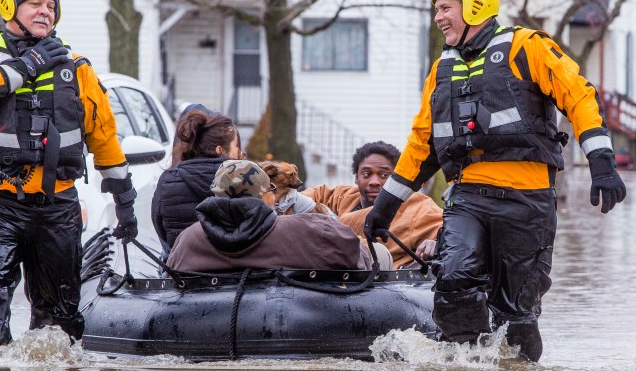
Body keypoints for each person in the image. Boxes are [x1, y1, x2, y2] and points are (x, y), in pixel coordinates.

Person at [364, 0, 627, 362]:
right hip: (468, 198)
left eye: (444, 8)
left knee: (517, 313)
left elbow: (580, 97)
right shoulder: (441, 71)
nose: (437, 17)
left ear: (475, 6)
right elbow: (422, 145)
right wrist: (384, 208)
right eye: (436, 9)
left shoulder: (527, 47)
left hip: (527, 203)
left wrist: (601, 162)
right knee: (453, 281)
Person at [0, 0, 137, 345]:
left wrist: (125, 201)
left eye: (50, 6)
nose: (45, 12)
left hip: (57, 207)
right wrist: (28, 65)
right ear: (9, 8)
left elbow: (103, 135)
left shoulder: (77, 67)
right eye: (34, 3)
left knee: (60, 320)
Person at [167, 160, 373, 272]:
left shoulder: (187, 239)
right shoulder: (312, 229)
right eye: (271, 189)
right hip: (297, 322)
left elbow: (171, 281)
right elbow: (358, 258)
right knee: (379, 252)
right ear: (266, 196)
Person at [304, 141, 442, 268]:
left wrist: (436, 243)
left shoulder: (416, 205)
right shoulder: (348, 196)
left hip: (385, 285)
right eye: (366, 174)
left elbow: (450, 232)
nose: (374, 181)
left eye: (384, 175)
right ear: (356, 178)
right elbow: (315, 194)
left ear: (397, 179)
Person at [151, 104, 241, 254]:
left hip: (183, 271)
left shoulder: (167, 181)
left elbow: (162, 232)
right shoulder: (243, 180)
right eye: (238, 151)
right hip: (237, 273)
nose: (241, 157)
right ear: (220, 150)